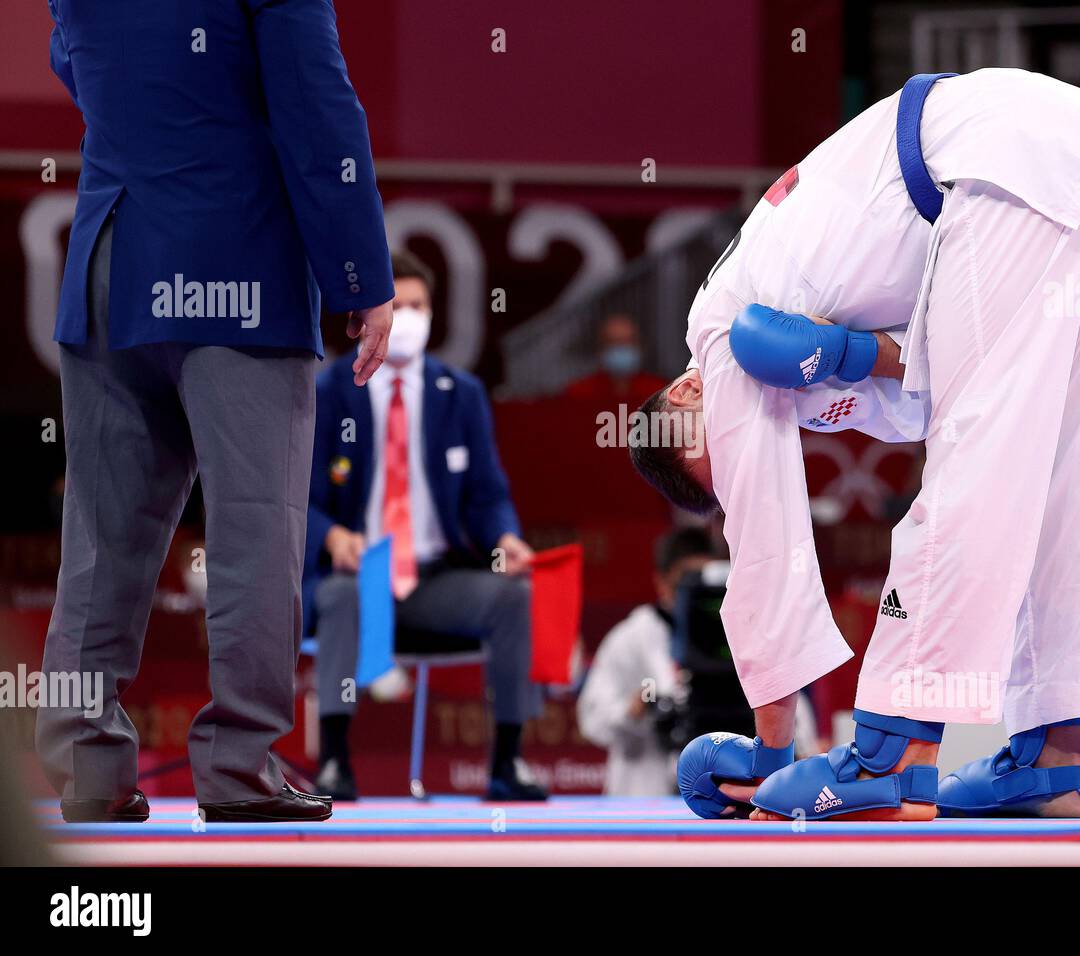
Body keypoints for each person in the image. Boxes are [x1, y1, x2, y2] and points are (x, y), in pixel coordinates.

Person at [633, 69, 1080, 821]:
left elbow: (764, 548)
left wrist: (769, 756)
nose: (747, 456)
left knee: (975, 459)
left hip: (993, 156)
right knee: (1069, 462)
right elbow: (928, 384)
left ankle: (892, 753)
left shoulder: (722, 333)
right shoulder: (795, 369)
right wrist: (846, 353)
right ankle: (1052, 757)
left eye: (720, 445)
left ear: (683, 393)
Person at [39, 0, 393, 823]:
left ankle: (87, 763)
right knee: (255, 529)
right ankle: (239, 765)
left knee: (100, 536)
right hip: (236, 259)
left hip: (109, 260)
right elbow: (317, 107)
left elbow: (77, 64)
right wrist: (361, 274)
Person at [306, 251, 546, 802]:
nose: (407, 317)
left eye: (417, 306)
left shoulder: (460, 394)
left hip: (435, 579)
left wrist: (505, 538)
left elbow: (488, 495)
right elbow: (301, 500)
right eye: (396, 306)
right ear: (366, 315)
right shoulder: (329, 392)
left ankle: (508, 762)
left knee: (513, 597)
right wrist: (332, 536)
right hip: (357, 578)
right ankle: (335, 764)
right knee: (341, 597)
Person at [577, 527, 714, 796]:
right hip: (643, 793)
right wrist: (633, 709)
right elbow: (592, 718)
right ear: (662, 583)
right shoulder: (631, 638)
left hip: (717, 797)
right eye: (686, 584)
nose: (695, 595)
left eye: (703, 584)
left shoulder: (735, 637)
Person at [564, 313, 667, 400]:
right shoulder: (579, 393)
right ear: (600, 349)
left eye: (628, 341)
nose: (622, 348)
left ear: (640, 346)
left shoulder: (659, 392)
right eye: (614, 342)